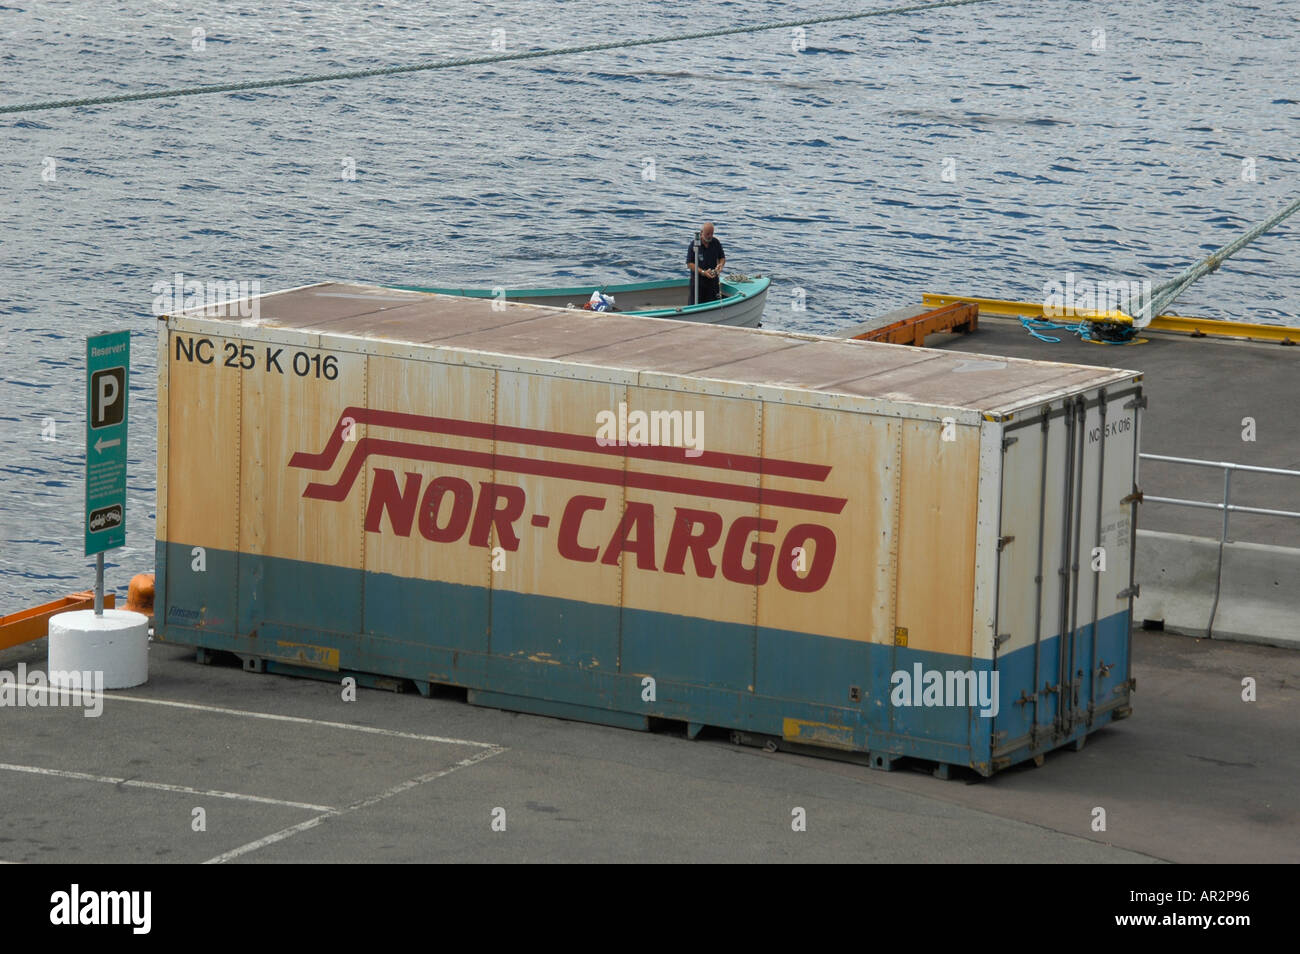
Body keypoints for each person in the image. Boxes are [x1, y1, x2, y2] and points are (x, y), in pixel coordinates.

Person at [686, 222, 726, 305]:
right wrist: (703, 272)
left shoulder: (715, 242)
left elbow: (722, 257)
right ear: (701, 233)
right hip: (698, 282)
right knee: (695, 305)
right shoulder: (694, 245)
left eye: (712, 233)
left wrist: (720, 265)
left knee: (714, 305)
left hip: (713, 282)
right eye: (707, 234)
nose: (710, 236)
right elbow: (689, 264)